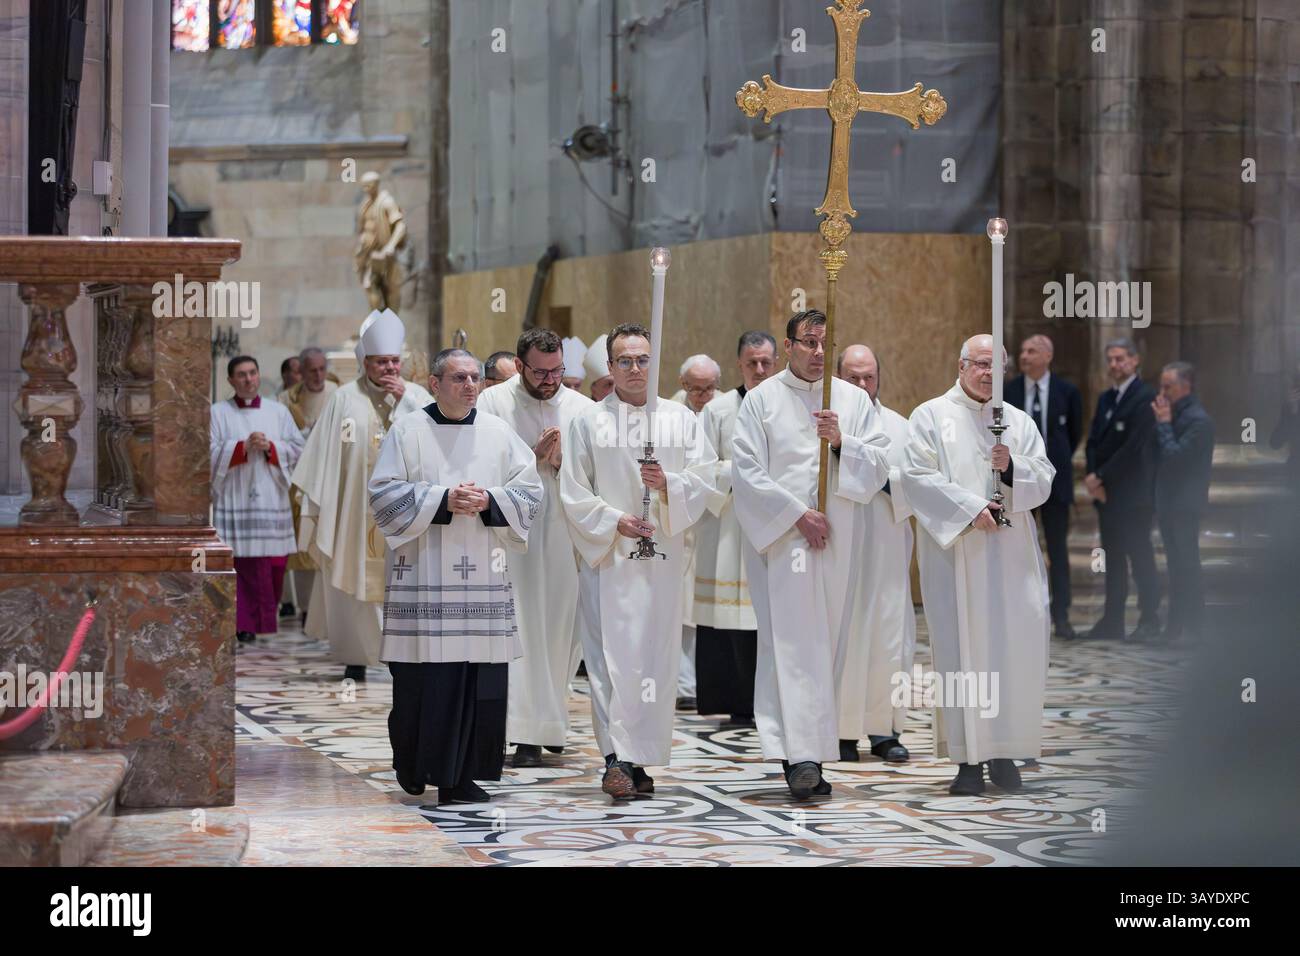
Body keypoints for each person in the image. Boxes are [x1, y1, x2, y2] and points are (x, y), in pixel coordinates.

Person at [369, 348, 543, 805]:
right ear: (434, 383)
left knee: (476, 678)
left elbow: (531, 491)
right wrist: (443, 499)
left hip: (483, 575)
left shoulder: (497, 432)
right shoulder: (408, 431)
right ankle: (412, 761)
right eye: (459, 378)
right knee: (422, 680)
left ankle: (462, 775)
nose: (470, 385)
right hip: (422, 576)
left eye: (475, 378)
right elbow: (383, 498)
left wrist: (491, 500)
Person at [731, 311, 891, 799]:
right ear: (788, 346)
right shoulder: (761, 401)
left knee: (829, 644)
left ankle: (816, 753)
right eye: (809, 342)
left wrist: (842, 442)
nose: (819, 351)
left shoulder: (852, 400)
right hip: (784, 543)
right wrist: (798, 514)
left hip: (839, 539)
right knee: (791, 647)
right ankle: (795, 754)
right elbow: (746, 472)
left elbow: (881, 462)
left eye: (825, 342)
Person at [560, 323, 717, 799]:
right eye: (624, 360)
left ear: (654, 363)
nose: (634, 368)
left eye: (642, 359)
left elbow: (706, 478)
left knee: (653, 661)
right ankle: (615, 758)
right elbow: (572, 490)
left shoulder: (680, 420)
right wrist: (613, 520)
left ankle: (640, 756)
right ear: (610, 368)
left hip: (661, 562)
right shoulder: (588, 421)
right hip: (609, 560)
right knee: (609, 660)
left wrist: (670, 484)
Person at [902, 334, 1055, 795]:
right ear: (962, 364)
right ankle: (968, 759)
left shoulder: (1019, 421)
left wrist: (1012, 469)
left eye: (996, 366)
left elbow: (1044, 478)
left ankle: (1005, 752)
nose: (988, 374)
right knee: (960, 654)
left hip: (1011, 559)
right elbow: (915, 476)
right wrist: (969, 507)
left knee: (1011, 650)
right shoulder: (930, 416)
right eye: (981, 364)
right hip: (957, 556)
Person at [292, 309, 434, 681]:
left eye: (393, 361)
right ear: (365, 362)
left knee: (405, 580)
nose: (388, 368)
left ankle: (403, 655)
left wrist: (407, 399)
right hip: (356, 508)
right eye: (380, 361)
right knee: (355, 576)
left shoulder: (417, 396)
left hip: (404, 510)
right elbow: (322, 455)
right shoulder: (343, 398)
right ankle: (356, 656)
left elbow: (434, 440)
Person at [478, 329, 594, 766]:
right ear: (521, 365)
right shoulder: (492, 404)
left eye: (557, 371)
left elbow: (594, 474)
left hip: (565, 533)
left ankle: (549, 721)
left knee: (560, 630)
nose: (550, 380)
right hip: (512, 536)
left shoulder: (582, 408)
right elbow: (483, 465)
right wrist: (531, 455)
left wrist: (562, 461)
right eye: (540, 372)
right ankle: (523, 733)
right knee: (522, 627)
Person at [834, 344, 914, 763]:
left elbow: (915, 485)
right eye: (852, 377)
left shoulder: (899, 427)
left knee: (887, 637)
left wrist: (876, 475)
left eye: (868, 377)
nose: (862, 385)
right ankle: (841, 732)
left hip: (885, 550)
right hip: (837, 551)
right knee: (843, 635)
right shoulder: (824, 424)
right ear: (838, 378)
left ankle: (884, 731)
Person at [693, 332, 776, 727]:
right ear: (739, 364)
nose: (759, 370)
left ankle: (773, 699)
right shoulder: (718, 410)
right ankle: (736, 700)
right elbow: (702, 468)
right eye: (751, 362)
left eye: (766, 362)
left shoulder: (787, 404)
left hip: (777, 524)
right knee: (730, 620)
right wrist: (739, 472)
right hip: (729, 525)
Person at [210, 356, 304, 643]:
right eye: (241, 375)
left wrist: (271, 448)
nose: (248, 379)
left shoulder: (278, 412)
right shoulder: (217, 412)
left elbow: (299, 448)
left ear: (259, 375)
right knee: (241, 566)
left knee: (274, 565)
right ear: (230, 381)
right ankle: (244, 624)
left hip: (271, 500)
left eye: (252, 373)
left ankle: (266, 618)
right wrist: (239, 448)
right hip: (236, 500)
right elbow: (206, 451)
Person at [1005, 334, 1084, 639]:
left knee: (1057, 550)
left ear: (1048, 356)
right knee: (1016, 547)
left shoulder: (1068, 392)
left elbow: (1073, 434)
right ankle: (1018, 612)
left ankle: (1061, 615)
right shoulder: (1008, 391)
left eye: (1031, 351)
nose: (1023, 356)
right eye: (1022, 351)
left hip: (1055, 484)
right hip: (1018, 482)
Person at [1084, 338, 1160, 641]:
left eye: (1120, 359)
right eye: (1111, 360)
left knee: (1140, 556)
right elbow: (1093, 441)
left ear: (1135, 361)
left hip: (1133, 494)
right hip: (1107, 495)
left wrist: (1101, 476)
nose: (1114, 365)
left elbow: (1133, 447)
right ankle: (1112, 619)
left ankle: (1149, 618)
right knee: (1112, 557)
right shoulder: (1106, 398)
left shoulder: (1145, 397)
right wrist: (1092, 474)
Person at [668, 354, 720, 710]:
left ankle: (706, 681)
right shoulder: (668, 415)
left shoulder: (725, 410)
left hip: (716, 520)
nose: (703, 396)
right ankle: (682, 682)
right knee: (680, 607)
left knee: (706, 606)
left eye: (709, 388)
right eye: (696, 388)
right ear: (683, 384)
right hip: (678, 520)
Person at [1152, 362, 1215, 644]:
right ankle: (1175, 628)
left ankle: (1193, 628)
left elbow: (1175, 458)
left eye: (1168, 386)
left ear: (1185, 386)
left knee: (1187, 565)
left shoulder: (1199, 420)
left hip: (1185, 505)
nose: (1162, 392)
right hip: (1169, 502)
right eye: (1161, 385)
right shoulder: (1175, 413)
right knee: (1177, 566)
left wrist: (1164, 425)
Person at [282, 346, 340, 624]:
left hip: (333, 480)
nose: (318, 375)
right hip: (301, 481)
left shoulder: (339, 395)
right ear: (300, 371)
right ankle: (305, 607)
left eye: (322, 369)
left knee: (330, 543)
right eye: (311, 370)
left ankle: (330, 607)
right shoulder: (287, 400)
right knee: (304, 545)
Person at [583, 333, 615, 402]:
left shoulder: (628, 410)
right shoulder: (588, 412)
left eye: (620, 383)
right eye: (609, 384)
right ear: (594, 391)